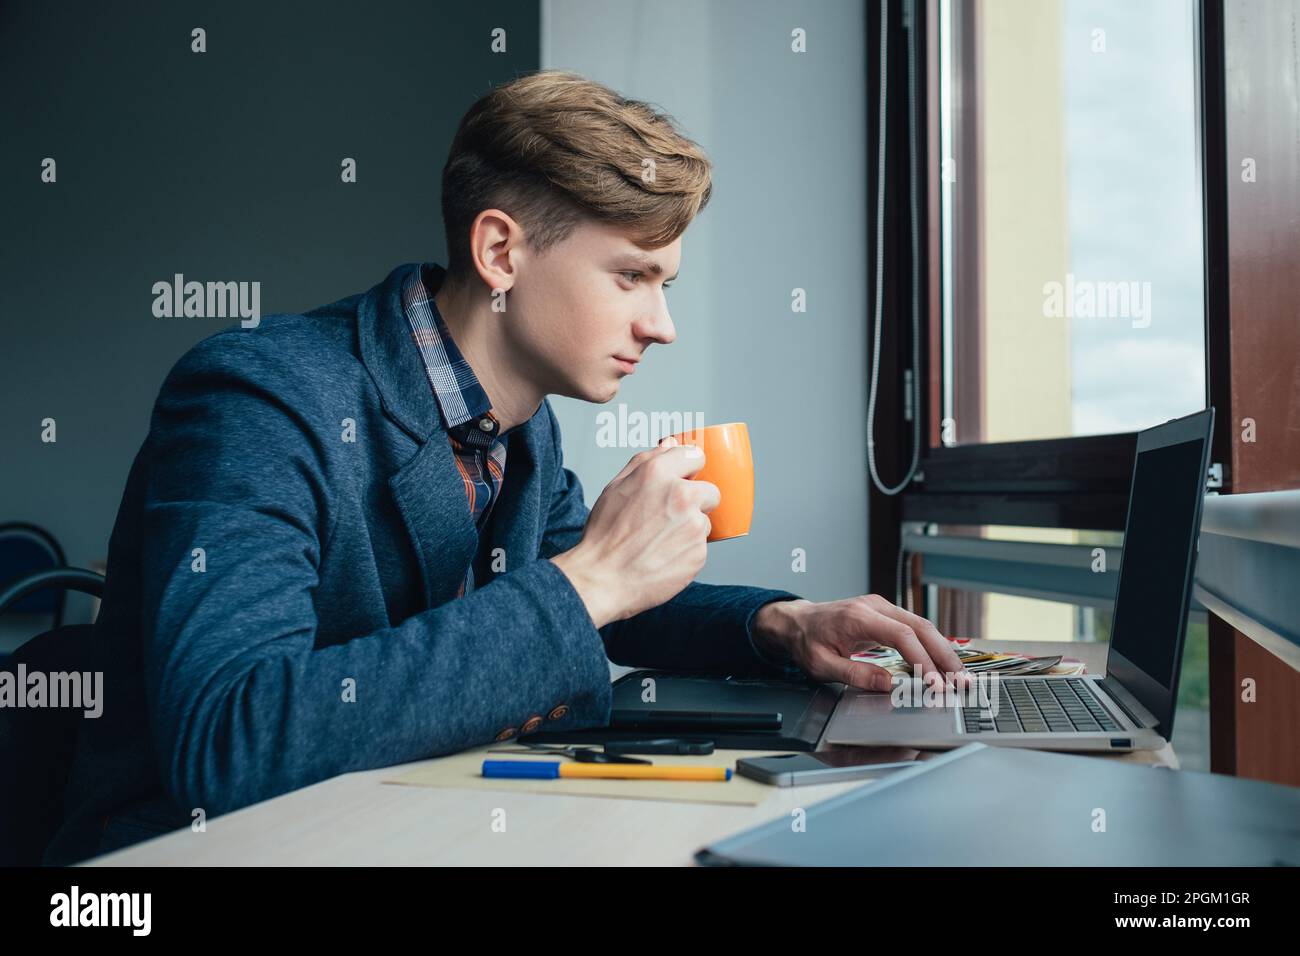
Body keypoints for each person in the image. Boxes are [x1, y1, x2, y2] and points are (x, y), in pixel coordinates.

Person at [44, 70, 965, 865]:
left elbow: (599, 589)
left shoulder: (520, 427)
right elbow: (230, 741)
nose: (662, 325)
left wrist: (779, 623)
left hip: (401, 825)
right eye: (630, 277)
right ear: (500, 253)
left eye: (665, 285)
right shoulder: (258, 397)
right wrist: (590, 578)